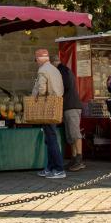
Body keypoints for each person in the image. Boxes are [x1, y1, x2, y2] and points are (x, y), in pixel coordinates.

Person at [32, 48, 66, 179]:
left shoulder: (42, 70)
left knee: (51, 139)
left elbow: (41, 90)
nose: (36, 62)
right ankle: (50, 167)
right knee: (50, 137)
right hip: (56, 104)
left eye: (36, 60)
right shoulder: (55, 69)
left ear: (40, 59)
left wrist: (36, 100)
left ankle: (59, 168)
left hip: (47, 106)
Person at [55, 59, 85, 171]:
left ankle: (79, 159)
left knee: (75, 133)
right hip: (69, 106)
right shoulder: (64, 70)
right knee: (70, 135)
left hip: (71, 106)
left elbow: (65, 86)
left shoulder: (62, 71)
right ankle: (74, 158)